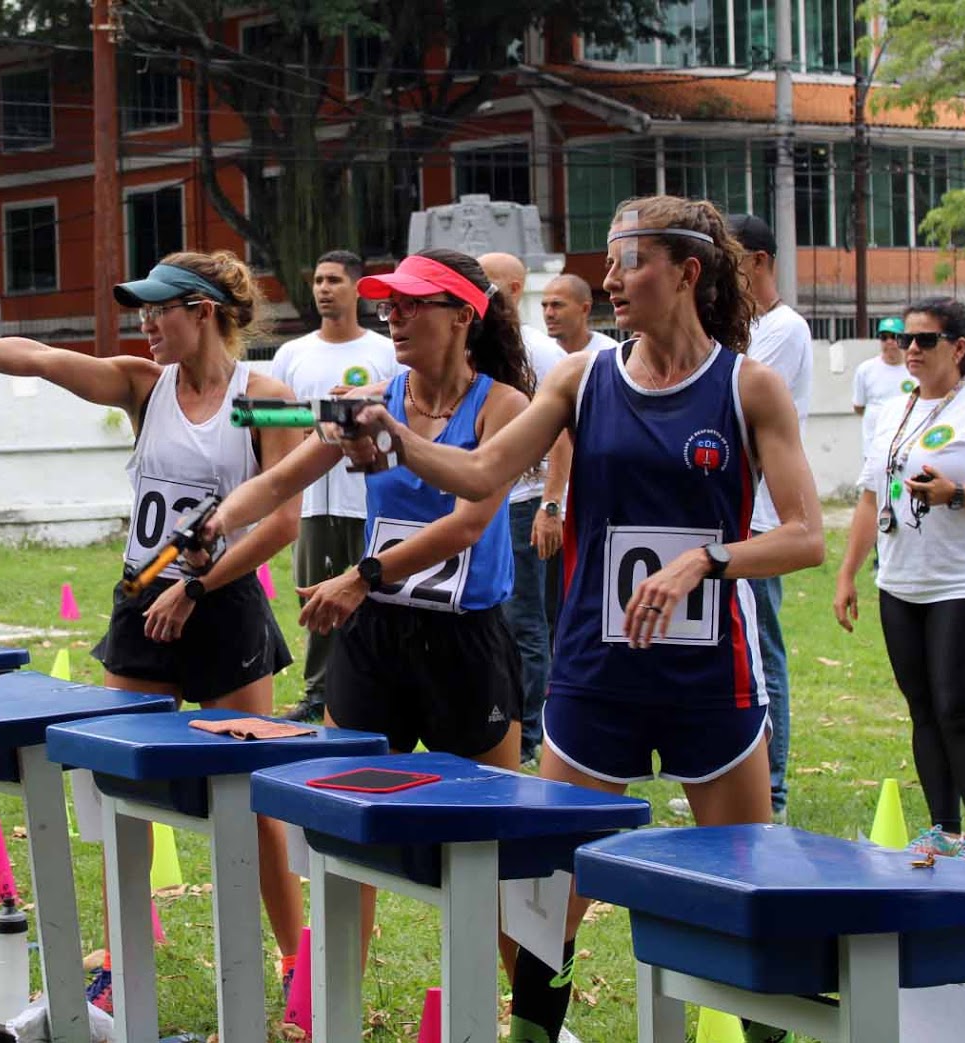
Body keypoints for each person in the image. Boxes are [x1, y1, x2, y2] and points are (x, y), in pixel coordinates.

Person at [337, 197, 823, 1043]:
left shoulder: (749, 386)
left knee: (747, 898)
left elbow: (806, 536)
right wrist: (400, 439)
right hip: (597, 675)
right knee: (541, 900)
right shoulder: (581, 378)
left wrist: (706, 559)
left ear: (687, 272)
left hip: (713, 677)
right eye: (609, 257)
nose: (611, 279)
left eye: (629, 260)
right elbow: (484, 470)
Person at [0, 250, 306, 1012]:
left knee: (253, 798)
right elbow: (39, 358)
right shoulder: (144, 386)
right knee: (123, 791)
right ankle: (121, 959)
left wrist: (196, 585)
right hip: (142, 602)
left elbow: (283, 520)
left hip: (222, 605)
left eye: (159, 309)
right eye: (142, 311)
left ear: (202, 311)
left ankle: (293, 961)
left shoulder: (266, 399)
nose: (145, 323)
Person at [199, 247, 534, 1017]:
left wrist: (362, 574)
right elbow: (284, 477)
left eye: (413, 302)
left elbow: (468, 523)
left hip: (465, 642)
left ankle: (534, 1022)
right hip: (375, 639)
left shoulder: (504, 407)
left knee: (493, 847)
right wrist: (215, 521)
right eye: (390, 302)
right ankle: (329, 1016)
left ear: (463, 315)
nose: (394, 314)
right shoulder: (375, 399)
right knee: (344, 833)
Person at [834, 297, 965, 869]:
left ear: (959, 347)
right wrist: (848, 573)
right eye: (905, 338)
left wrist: (957, 494)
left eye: (925, 340)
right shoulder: (894, 411)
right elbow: (871, 497)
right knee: (922, 708)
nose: (911, 349)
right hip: (901, 579)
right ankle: (944, 828)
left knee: (957, 707)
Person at [267, 249, 398, 723]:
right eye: (318, 280)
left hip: (367, 498)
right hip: (312, 501)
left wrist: (364, 409)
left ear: (357, 288)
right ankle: (318, 692)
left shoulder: (385, 352)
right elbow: (270, 417)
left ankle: (375, 686)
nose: (323, 289)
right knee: (315, 594)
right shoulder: (292, 354)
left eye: (334, 280)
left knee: (371, 596)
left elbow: (404, 418)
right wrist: (319, 419)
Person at [728, 212, 814, 822]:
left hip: (761, 519)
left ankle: (773, 789)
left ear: (758, 262)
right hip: (732, 517)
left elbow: (729, 395)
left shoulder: (782, 330)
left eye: (727, 260)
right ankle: (741, 775)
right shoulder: (746, 329)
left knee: (763, 653)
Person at [479, 252, 565, 765]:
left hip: (522, 503)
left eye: (487, 281)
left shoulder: (543, 352)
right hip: (477, 500)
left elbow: (565, 434)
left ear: (514, 288)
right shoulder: (471, 345)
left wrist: (550, 503)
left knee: (525, 621)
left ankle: (530, 731)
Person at [534, 274, 616, 649]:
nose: (549, 313)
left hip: (590, 504)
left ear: (585, 308)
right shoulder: (540, 356)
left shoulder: (609, 358)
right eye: (544, 305)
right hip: (542, 505)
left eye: (558, 305)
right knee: (546, 607)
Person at [853, 316, 915, 459]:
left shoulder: (914, 369)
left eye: (894, 337)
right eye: (884, 337)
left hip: (907, 449)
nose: (889, 342)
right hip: (874, 449)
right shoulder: (865, 369)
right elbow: (859, 407)